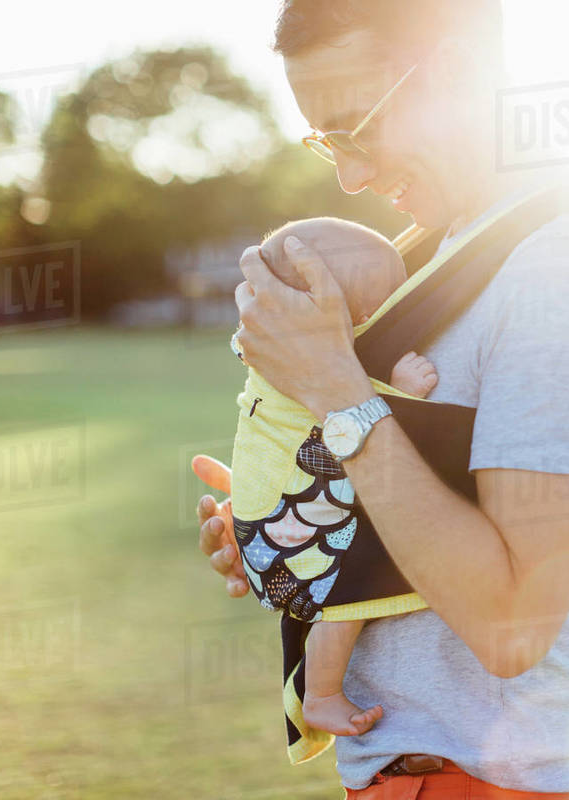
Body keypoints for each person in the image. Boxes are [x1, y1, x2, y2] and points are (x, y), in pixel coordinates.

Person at [195, 1, 569, 796]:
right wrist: (301, 520)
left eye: (355, 128)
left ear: (458, 68)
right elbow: (404, 489)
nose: (351, 176)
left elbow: (513, 624)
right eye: (325, 141)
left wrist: (339, 396)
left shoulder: (562, 270)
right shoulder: (445, 251)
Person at [228, 217, 437, 738]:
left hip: (268, 517)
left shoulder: (267, 346)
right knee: (351, 590)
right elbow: (356, 413)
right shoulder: (292, 359)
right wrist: (401, 389)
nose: (379, 321)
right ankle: (319, 693)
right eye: (371, 310)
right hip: (284, 529)